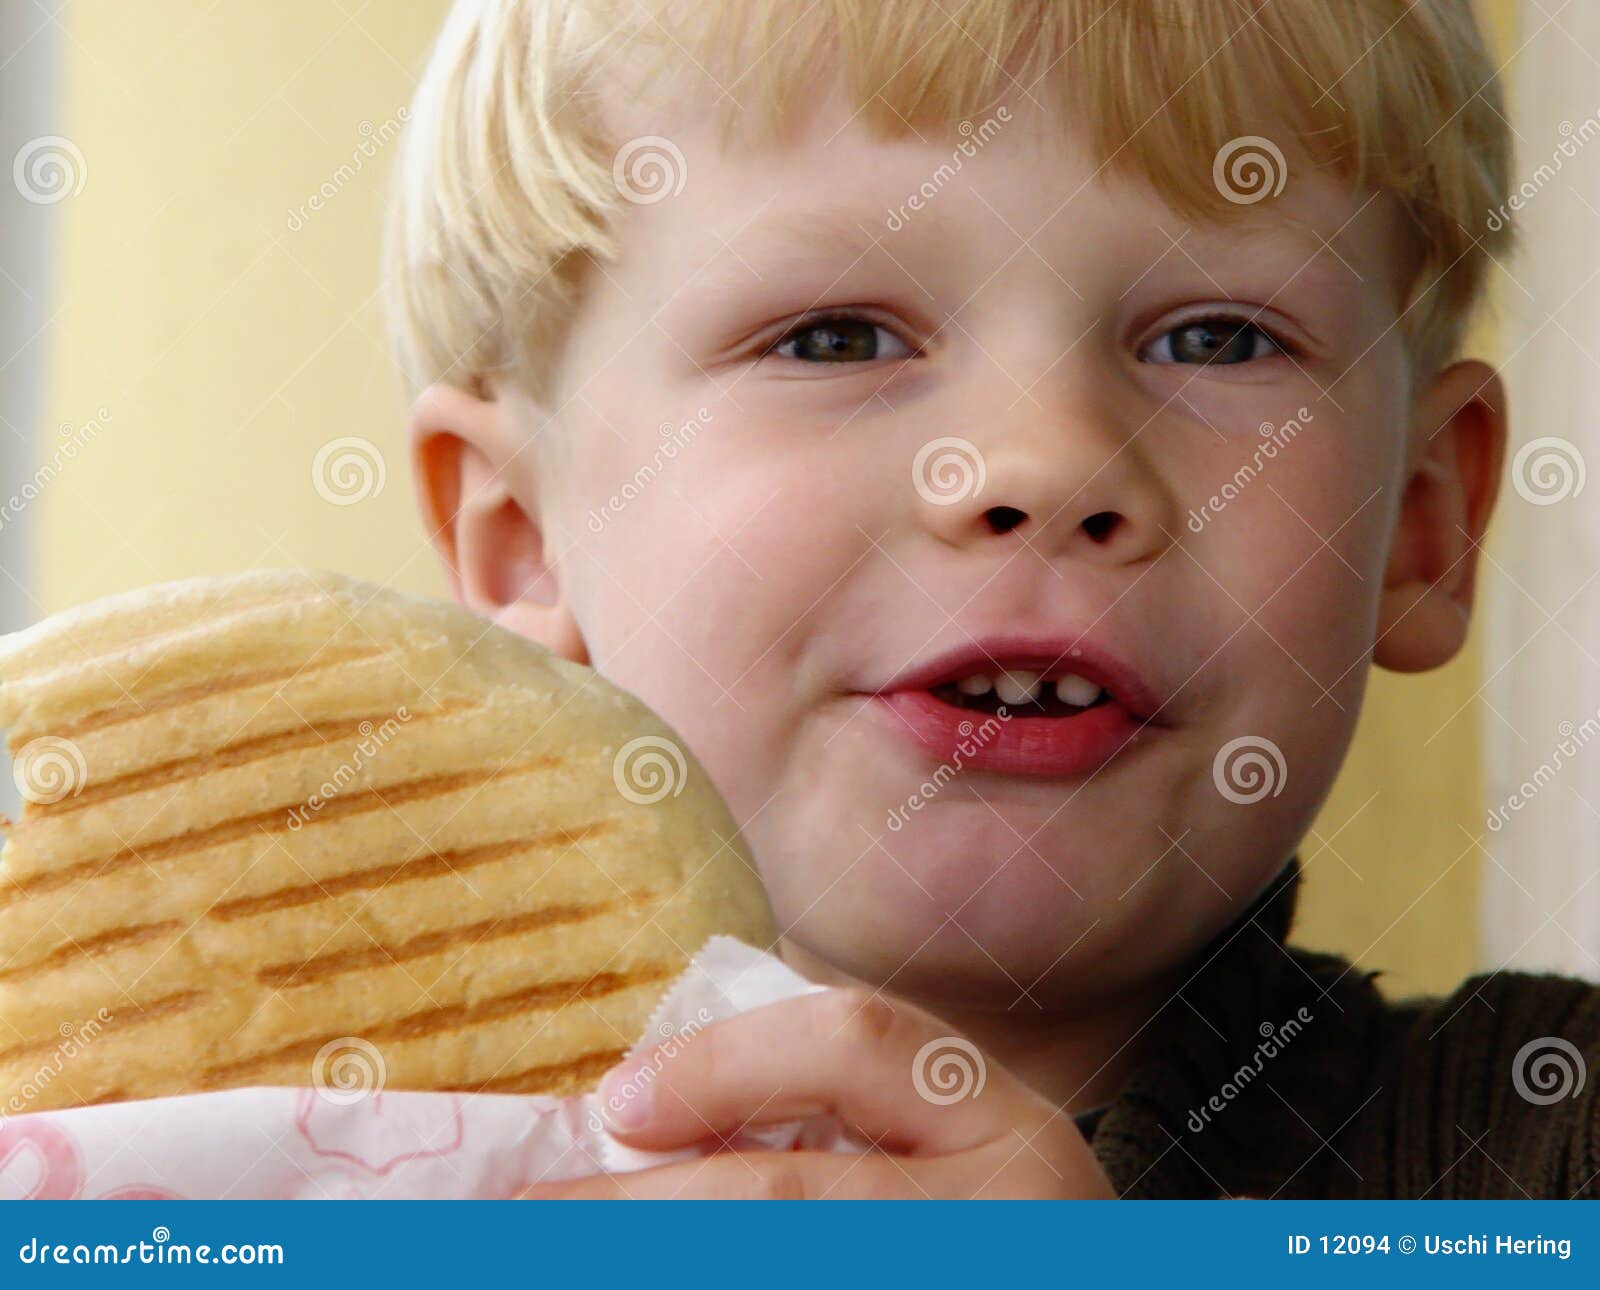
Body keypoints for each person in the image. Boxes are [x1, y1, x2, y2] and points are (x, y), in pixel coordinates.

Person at [385, 0, 1598, 1197]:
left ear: (1422, 520)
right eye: (836, 339)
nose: (1044, 463)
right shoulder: (317, 1173)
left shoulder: (1555, 1146)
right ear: (523, 534)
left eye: (1215, 340)